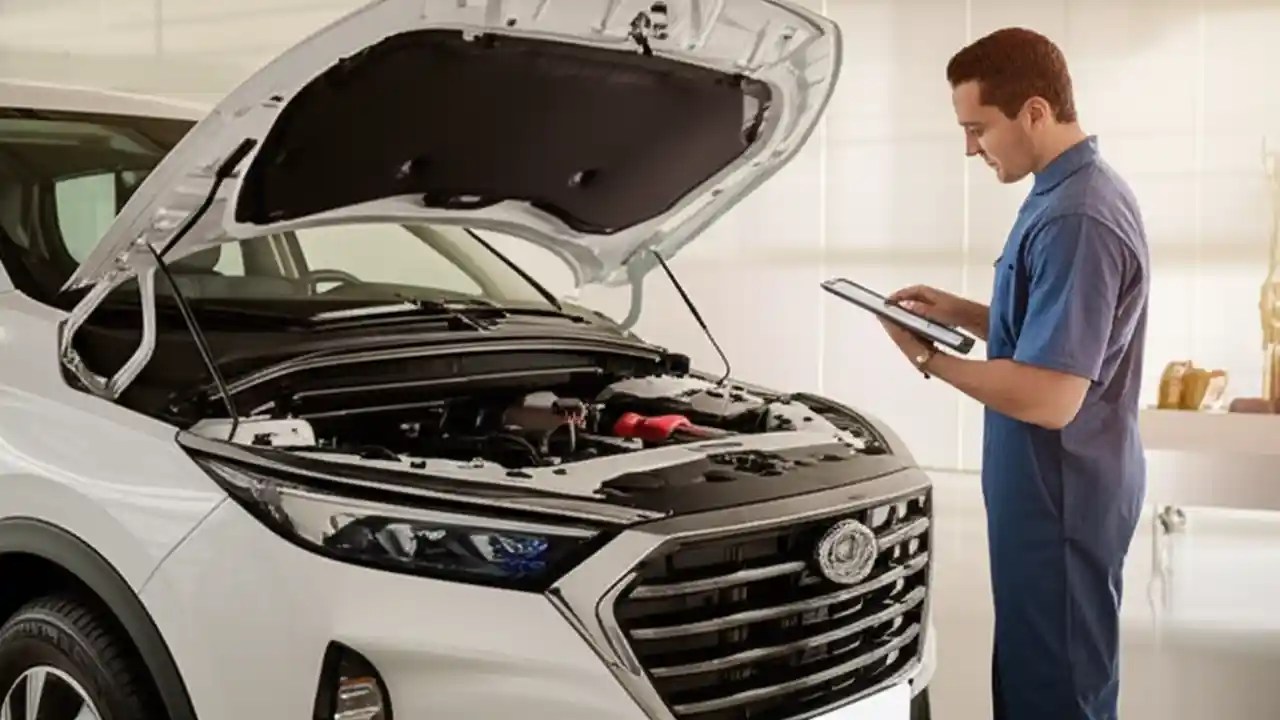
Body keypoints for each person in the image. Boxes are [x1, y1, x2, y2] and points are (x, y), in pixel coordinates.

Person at [878, 27, 1150, 720]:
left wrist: (927, 356)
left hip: (1061, 498)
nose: (971, 147)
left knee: (1056, 698)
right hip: (1050, 495)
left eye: (978, 129)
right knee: (1041, 682)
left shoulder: (1078, 216)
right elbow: (1052, 329)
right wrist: (967, 312)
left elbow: (1051, 395)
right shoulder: (1062, 192)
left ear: (1034, 111)